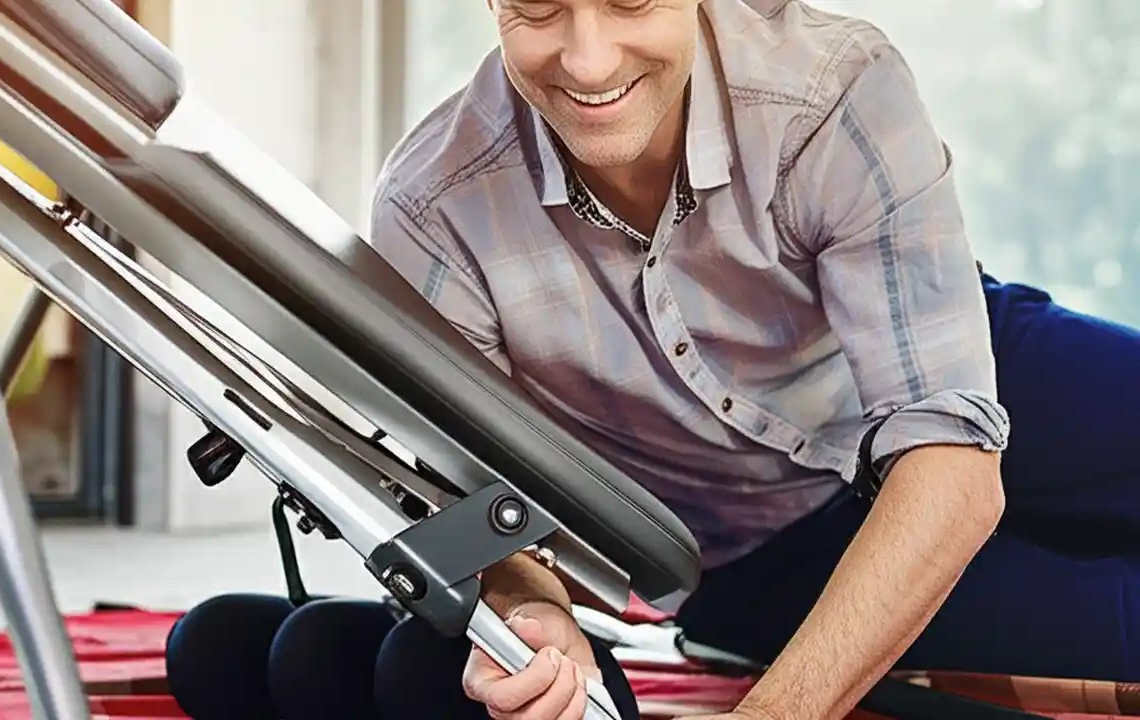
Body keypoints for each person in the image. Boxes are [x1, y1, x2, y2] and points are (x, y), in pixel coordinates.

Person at [165, 1, 1140, 718]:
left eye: (629, 0)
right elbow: (480, 511)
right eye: (535, 8)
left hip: (967, 378)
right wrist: (527, 603)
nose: (585, 58)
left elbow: (949, 463)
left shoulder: (830, 89)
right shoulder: (433, 213)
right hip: (764, 546)